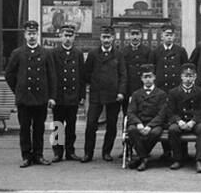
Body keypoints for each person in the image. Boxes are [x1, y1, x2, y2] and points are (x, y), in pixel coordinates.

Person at [4, 21, 57, 167]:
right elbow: (9, 75)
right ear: (25, 35)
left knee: (39, 128)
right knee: (25, 128)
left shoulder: (46, 53)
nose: (32, 37)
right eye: (29, 34)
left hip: (41, 99)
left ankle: (38, 155)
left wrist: (52, 97)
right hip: (24, 99)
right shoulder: (17, 53)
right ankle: (26, 156)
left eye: (34, 33)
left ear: (38, 34)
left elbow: (52, 76)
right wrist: (18, 90)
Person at [82, 25, 126, 162]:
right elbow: (86, 73)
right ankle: (88, 153)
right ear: (100, 38)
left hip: (113, 96)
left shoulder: (118, 55)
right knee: (91, 124)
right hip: (97, 95)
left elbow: (123, 75)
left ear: (113, 38)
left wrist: (121, 92)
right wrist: (95, 85)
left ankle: (106, 152)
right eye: (104, 37)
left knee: (112, 125)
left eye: (109, 37)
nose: (106, 40)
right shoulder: (93, 54)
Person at [49, 24, 85, 162]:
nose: (68, 39)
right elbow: (52, 76)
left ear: (74, 37)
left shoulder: (78, 54)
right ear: (60, 36)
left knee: (71, 126)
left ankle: (70, 151)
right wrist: (52, 96)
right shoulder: (54, 53)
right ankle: (58, 152)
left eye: (70, 36)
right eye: (65, 36)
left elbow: (82, 77)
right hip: (59, 97)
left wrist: (82, 95)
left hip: (73, 96)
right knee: (58, 125)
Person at [166, 62, 201, 172]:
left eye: (191, 76)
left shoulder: (200, 92)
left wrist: (193, 121)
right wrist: (179, 121)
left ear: (195, 77)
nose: (188, 79)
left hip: (195, 121)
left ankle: (199, 160)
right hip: (180, 121)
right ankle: (177, 159)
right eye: (186, 76)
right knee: (172, 129)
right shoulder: (173, 92)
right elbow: (170, 111)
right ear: (181, 77)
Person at [125, 64, 169, 171]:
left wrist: (150, 126)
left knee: (155, 133)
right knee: (131, 130)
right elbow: (131, 112)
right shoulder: (136, 94)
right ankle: (144, 158)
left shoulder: (161, 94)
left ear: (154, 78)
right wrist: (138, 123)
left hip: (155, 123)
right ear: (141, 79)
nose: (148, 79)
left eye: (150, 77)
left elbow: (162, 114)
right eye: (145, 77)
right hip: (139, 122)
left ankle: (140, 158)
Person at [152, 21, 188, 94]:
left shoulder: (180, 51)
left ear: (174, 36)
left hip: (176, 87)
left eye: (171, 35)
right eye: (167, 35)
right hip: (160, 88)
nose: (169, 37)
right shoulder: (156, 52)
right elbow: (153, 70)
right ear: (162, 36)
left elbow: (185, 69)